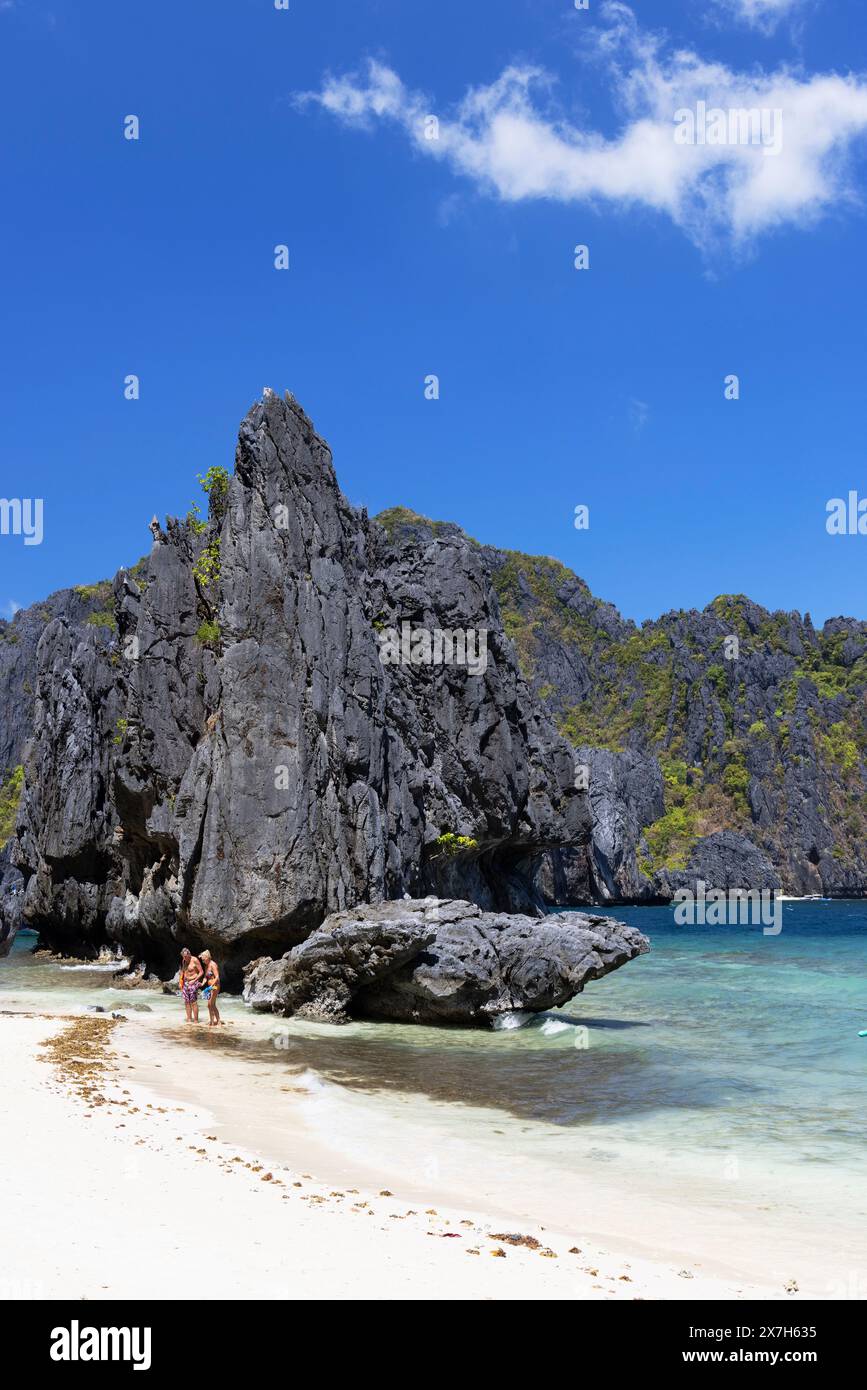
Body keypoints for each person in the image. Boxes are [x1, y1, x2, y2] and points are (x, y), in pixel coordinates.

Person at [179, 946, 204, 1023]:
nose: (185, 958)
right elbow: (183, 972)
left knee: (193, 1001)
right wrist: (180, 982)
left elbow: (201, 972)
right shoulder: (184, 960)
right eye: (184, 957)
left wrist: (194, 981)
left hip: (194, 982)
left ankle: (196, 1020)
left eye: (186, 956)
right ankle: (189, 1019)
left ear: (189, 954)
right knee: (186, 1001)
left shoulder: (195, 960)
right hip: (186, 983)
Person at [200, 950, 223, 1027]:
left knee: (211, 1004)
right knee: (210, 1005)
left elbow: (217, 977)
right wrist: (202, 983)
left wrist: (211, 985)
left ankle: (218, 1021)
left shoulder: (213, 964)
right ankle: (212, 1022)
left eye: (203, 959)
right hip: (210, 987)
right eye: (202, 960)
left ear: (207, 957)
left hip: (215, 986)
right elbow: (206, 977)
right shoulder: (206, 965)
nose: (203, 961)